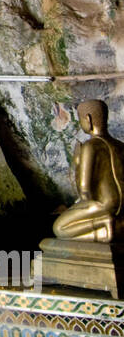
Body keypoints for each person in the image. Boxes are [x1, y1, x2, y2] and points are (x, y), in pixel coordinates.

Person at [53, 100, 124, 242]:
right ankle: (117, 226)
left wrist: (78, 163)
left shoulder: (90, 146)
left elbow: (85, 191)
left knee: (59, 229)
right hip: (121, 207)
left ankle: (104, 227)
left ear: (88, 119)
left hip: (102, 205)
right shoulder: (121, 146)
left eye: (80, 120)